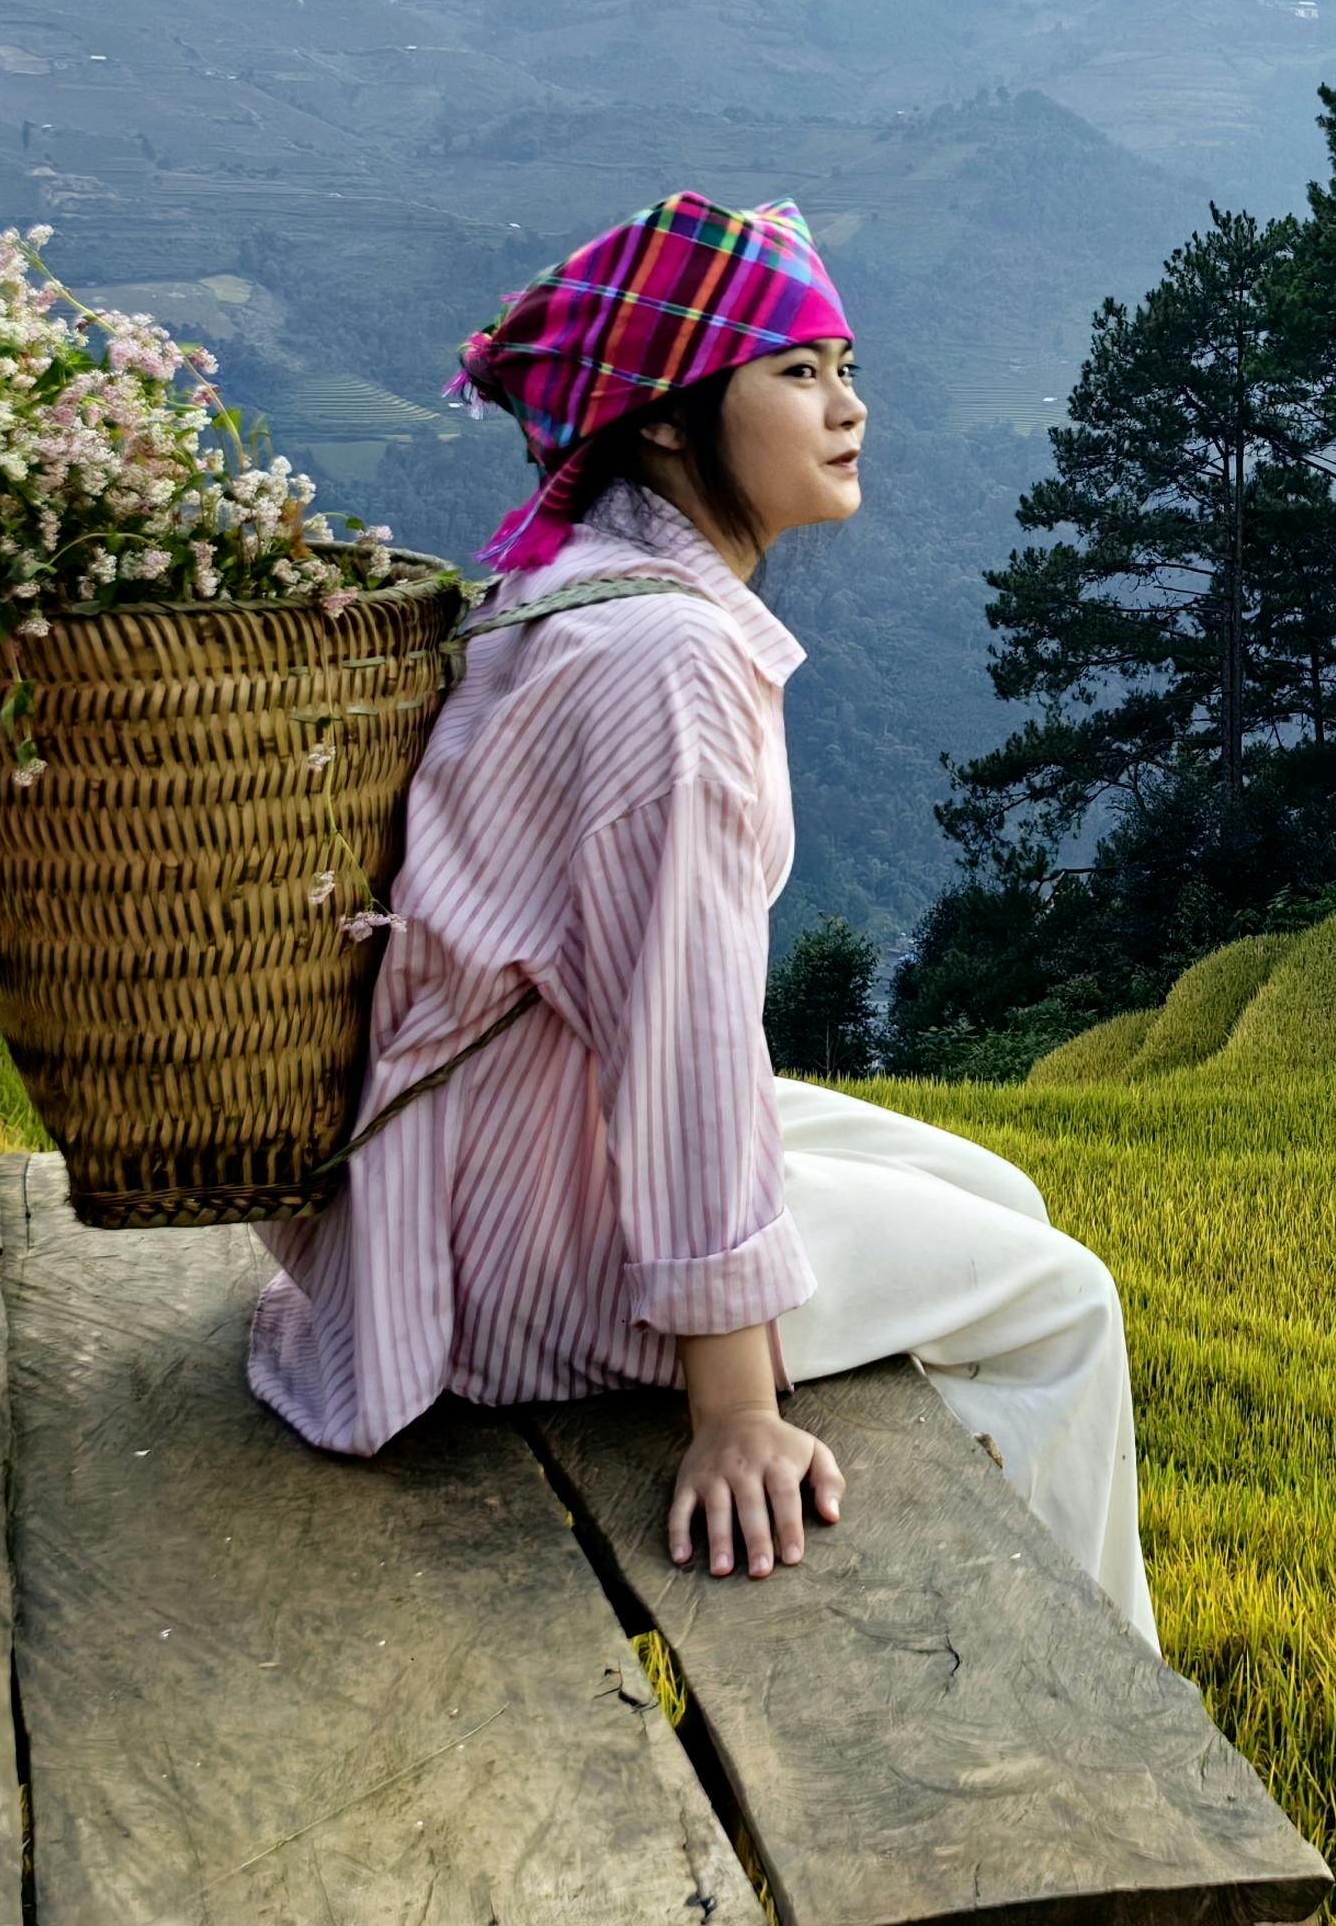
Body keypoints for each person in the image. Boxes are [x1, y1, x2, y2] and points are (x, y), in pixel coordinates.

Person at [245, 190, 1154, 1643]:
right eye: (797, 372)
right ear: (666, 418)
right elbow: (681, 1049)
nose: (848, 406)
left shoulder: (579, 585)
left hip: (485, 1155)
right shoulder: (665, 662)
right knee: (1062, 1305)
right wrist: (731, 1407)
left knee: (1008, 1208)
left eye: (846, 366)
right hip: (512, 1253)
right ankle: (1098, 1700)